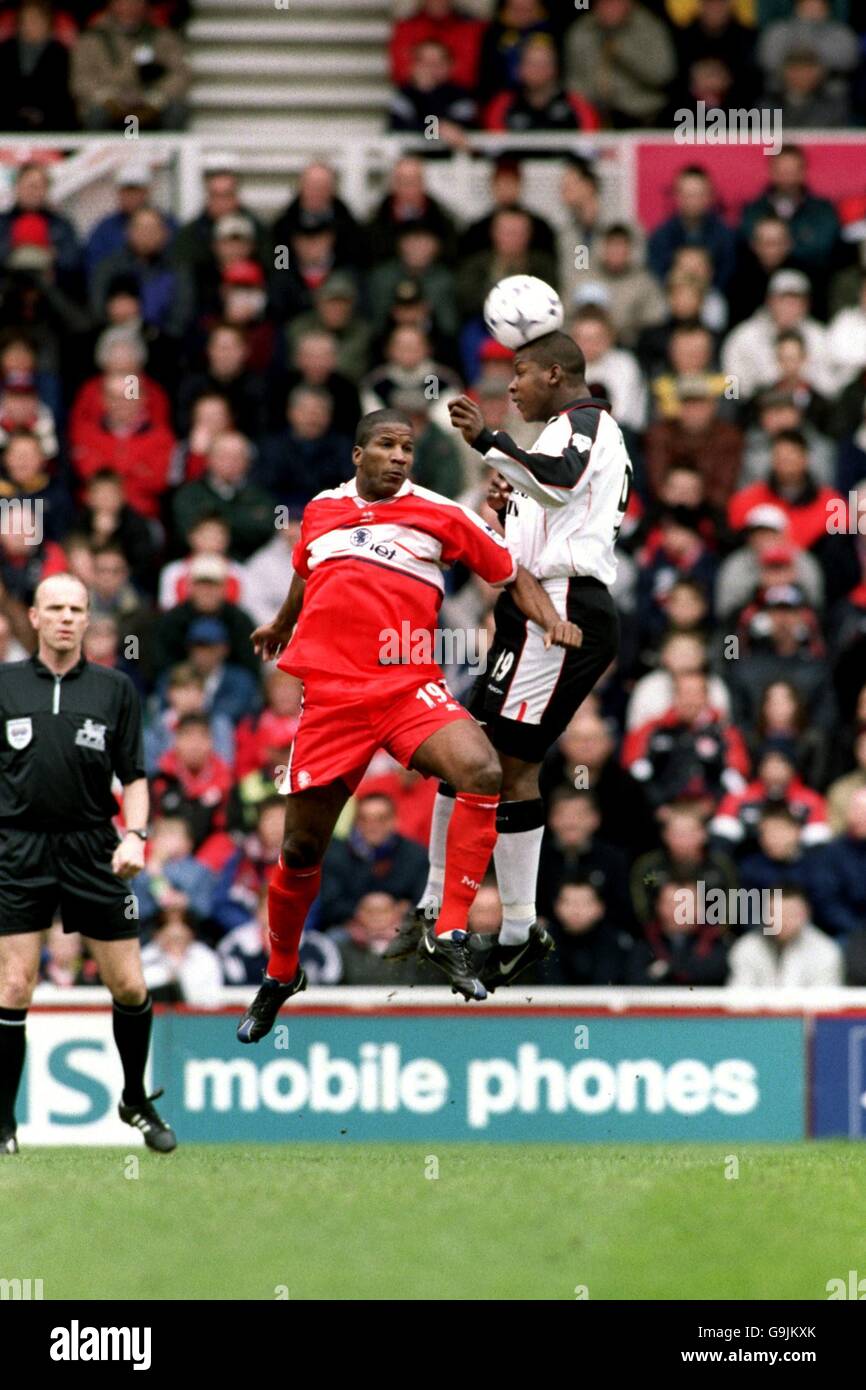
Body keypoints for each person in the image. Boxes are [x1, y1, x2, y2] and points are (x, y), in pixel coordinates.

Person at [234, 407, 581, 1024]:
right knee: (300, 847)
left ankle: (448, 933)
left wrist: (549, 620)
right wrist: (281, 625)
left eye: (408, 449)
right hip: (333, 698)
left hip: (406, 685)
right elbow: (305, 573)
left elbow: (508, 572)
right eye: (388, 446)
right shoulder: (321, 511)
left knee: (481, 769)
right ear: (358, 455)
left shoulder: (441, 513)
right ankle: (281, 972)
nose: (400, 457)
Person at [389, 330, 630, 989]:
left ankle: (444, 911)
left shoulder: (587, 421)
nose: (511, 387)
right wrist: (508, 508)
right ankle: (513, 930)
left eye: (520, 373)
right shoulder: (558, 433)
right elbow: (551, 503)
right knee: (501, 764)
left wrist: (486, 440)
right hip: (535, 604)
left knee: (478, 759)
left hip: (561, 606)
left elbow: (560, 486)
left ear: (556, 373)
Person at [0, 572, 176, 1155]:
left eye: (77, 608)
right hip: (18, 848)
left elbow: (136, 778)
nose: (66, 618)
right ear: (34, 617)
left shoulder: (113, 688)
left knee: (128, 983)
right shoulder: (4, 685)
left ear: (87, 618)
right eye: (55, 608)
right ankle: (3, 1124)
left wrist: (136, 836)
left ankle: (133, 1099)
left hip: (93, 847)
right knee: (14, 984)